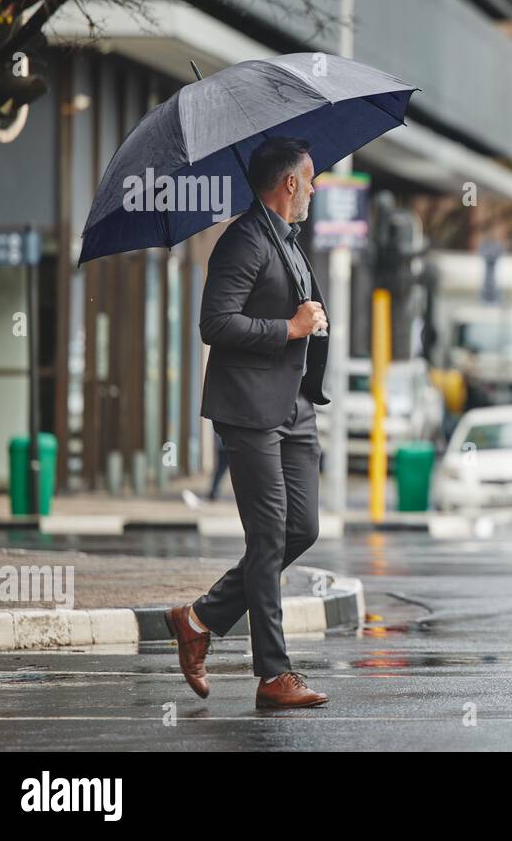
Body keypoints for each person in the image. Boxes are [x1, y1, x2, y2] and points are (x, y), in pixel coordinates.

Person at [163, 136, 332, 710]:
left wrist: (308, 325)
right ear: (289, 184)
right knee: (266, 538)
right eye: (309, 178)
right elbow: (216, 323)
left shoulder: (286, 241)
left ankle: (199, 618)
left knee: (300, 530)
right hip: (250, 412)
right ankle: (273, 675)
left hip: (294, 408)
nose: (314, 187)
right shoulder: (243, 241)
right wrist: (289, 328)